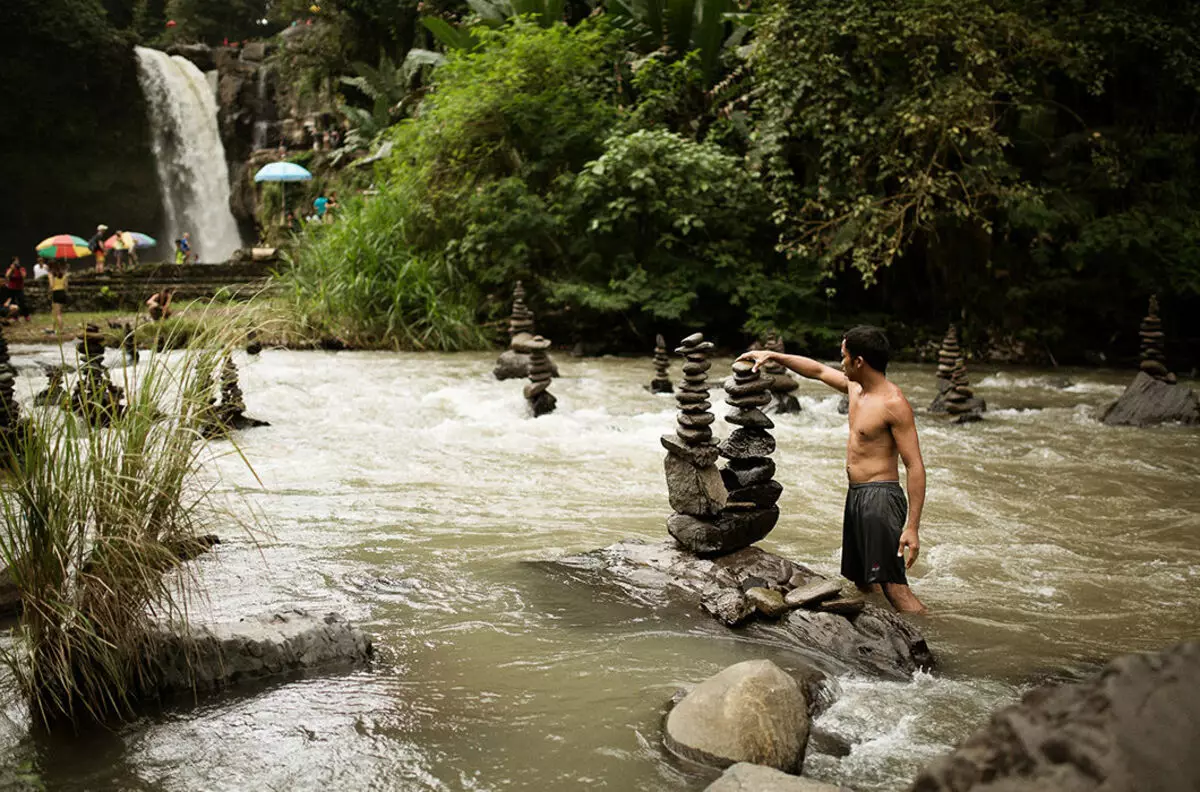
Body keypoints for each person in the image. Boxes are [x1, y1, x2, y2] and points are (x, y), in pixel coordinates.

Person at [738, 326, 928, 614]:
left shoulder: (893, 404)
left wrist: (912, 527)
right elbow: (816, 370)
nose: (840, 363)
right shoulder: (856, 388)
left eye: (844, 356)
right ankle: (886, 630)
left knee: (894, 587)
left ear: (859, 362)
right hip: (857, 495)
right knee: (862, 581)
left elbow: (914, 466)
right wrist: (773, 354)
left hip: (880, 500)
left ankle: (928, 643)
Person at [3, 257, 29, 322]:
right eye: (15, 262)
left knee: (22, 302)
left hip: (19, 288)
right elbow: (6, 276)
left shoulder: (21, 269)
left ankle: (26, 316)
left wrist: (19, 269)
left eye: (17, 262)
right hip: (11, 288)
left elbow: (24, 276)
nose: (16, 263)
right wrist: (12, 269)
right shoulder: (9, 269)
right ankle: (15, 317)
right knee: (12, 303)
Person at [48, 261, 69, 334]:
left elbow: (51, 285)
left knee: (58, 313)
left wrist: (49, 292)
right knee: (55, 312)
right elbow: (66, 286)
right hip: (62, 292)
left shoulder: (51, 275)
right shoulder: (64, 275)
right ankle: (53, 327)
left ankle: (61, 330)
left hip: (56, 292)